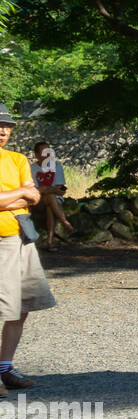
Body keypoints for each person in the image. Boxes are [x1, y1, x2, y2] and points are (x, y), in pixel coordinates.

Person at [0, 105, 55, 394]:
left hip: (22, 238)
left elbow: (33, 195)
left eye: (7, 125)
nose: (3, 130)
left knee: (22, 307)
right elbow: (25, 194)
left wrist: (17, 196)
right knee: (2, 306)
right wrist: (19, 195)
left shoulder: (18, 159)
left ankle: (5, 367)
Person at [31, 142, 74, 250]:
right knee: (51, 198)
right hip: (38, 201)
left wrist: (47, 190)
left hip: (55, 199)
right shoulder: (32, 169)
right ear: (36, 154)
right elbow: (34, 190)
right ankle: (64, 223)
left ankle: (50, 241)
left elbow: (60, 189)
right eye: (44, 152)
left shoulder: (57, 166)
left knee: (50, 201)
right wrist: (52, 189)